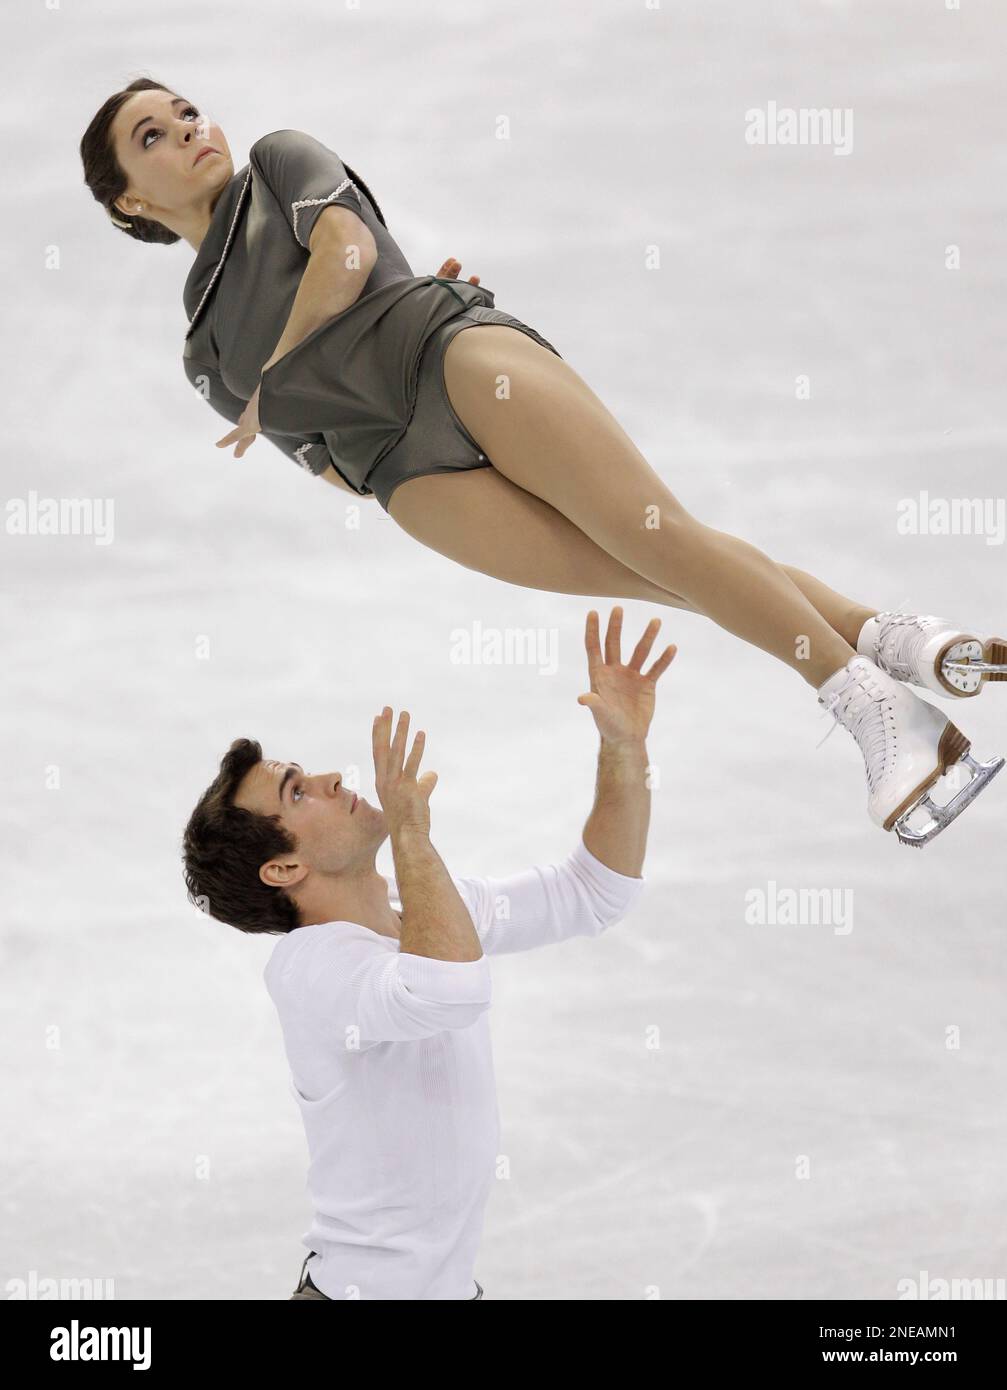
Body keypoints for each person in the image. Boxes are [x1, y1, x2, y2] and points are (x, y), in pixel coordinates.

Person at [81, 80, 1006, 846]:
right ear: (130, 199)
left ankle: (888, 718)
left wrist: (279, 376)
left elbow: (349, 251)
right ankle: (891, 638)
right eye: (151, 136)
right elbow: (315, 458)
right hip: (407, 477)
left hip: (448, 353)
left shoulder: (279, 162)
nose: (187, 132)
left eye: (187, 112)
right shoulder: (202, 353)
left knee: (668, 542)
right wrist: (312, 413)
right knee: (651, 574)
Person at [181, 607, 673, 1300]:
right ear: (283, 868)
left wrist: (622, 748)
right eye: (297, 792)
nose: (327, 778)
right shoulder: (307, 971)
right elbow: (444, 992)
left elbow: (594, 893)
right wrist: (409, 829)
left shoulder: (425, 922)